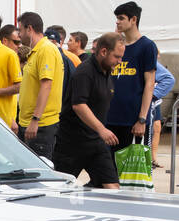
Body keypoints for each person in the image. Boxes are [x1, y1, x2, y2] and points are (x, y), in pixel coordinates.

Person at [53, 32, 125, 189]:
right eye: (117, 57)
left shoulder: (107, 71)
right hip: (71, 144)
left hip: (96, 143)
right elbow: (79, 105)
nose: (119, 62)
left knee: (112, 187)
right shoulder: (84, 72)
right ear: (103, 51)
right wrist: (102, 129)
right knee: (59, 189)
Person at [105, 0, 158, 153]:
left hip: (132, 120)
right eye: (117, 18)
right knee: (108, 168)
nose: (117, 21)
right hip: (110, 117)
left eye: (121, 18)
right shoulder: (116, 44)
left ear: (133, 20)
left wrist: (142, 119)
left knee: (130, 172)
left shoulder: (146, 46)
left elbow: (149, 83)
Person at [15, 11, 64, 160]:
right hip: (30, 124)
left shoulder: (46, 50)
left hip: (40, 126)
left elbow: (46, 85)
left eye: (20, 30)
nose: (19, 35)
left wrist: (35, 119)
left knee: (38, 172)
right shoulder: (35, 52)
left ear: (29, 29)